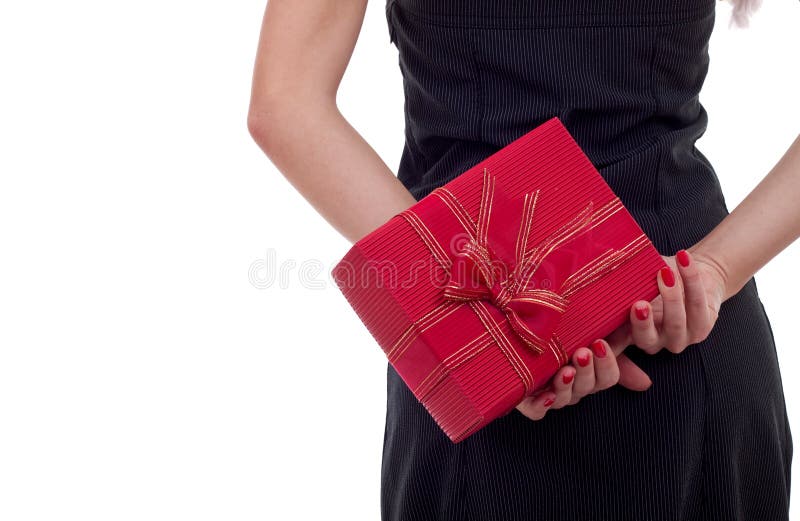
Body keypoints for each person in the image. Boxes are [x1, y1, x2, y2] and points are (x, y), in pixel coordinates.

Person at [246, 0, 797, 518]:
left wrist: (490, 326)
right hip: (680, 310)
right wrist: (715, 269)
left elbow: (286, 104)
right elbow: (282, 108)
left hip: (470, 327)